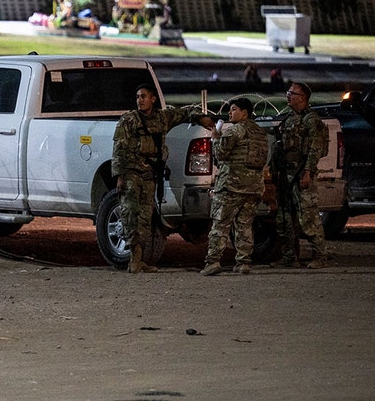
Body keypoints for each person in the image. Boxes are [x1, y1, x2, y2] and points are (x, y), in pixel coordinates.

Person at [112, 84, 215, 273]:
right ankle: (134, 258)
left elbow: (184, 112)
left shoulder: (162, 117)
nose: (140, 100)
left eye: (143, 96)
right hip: (132, 174)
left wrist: (200, 118)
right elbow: (119, 149)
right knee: (130, 214)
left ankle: (138, 260)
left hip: (150, 175)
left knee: (145, 217)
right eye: (137, 97)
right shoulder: (129, 120)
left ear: (153, 99)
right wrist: (120, 176)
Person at [200, 98, 268, 276]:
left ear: (244, 112)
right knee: (245, 225)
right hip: (253, 187)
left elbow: (220, 154)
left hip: (232, 185)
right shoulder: (260, 132)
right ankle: (243, 262)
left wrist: (215, 138)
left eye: (234, 110)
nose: (230, 113)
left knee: (220, 224)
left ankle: (213, 261)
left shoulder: (234, 131)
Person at [270, 82, 329, 269]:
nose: (288, 96)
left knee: (308, 218)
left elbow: (315, 149)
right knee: (284, 218)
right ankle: (289, 256)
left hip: (301, 174)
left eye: (292, 93)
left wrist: (307, 172)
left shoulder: (311, 120)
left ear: (302, 97)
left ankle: (320, 256)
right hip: (286, 175)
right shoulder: (289, 119)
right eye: (288, 92)